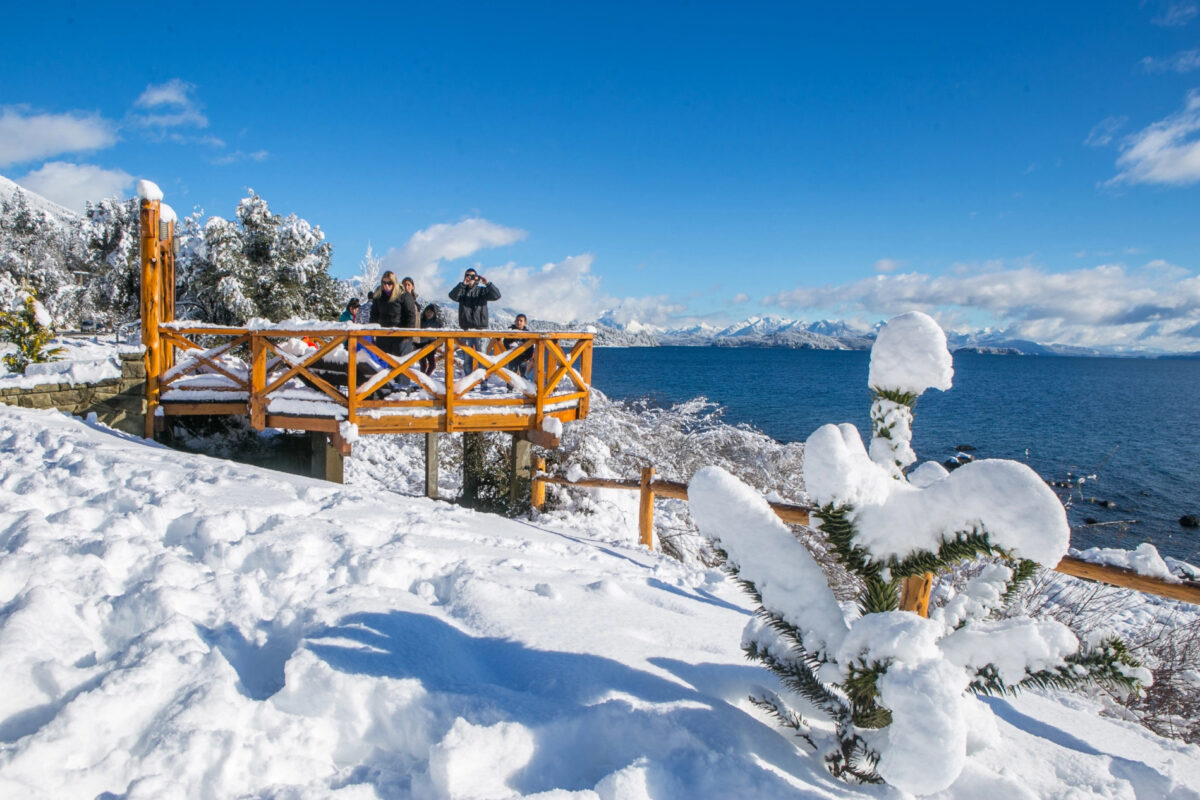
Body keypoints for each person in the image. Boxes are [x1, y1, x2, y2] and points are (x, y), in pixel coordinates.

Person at [448, 268, 501, 380]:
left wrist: (488, 283)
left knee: (482, 358)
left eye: (472, 276)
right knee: (467, 360)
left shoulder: (482, 291)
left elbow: (497, 296)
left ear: (477, 277)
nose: (470, 278)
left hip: (480, 329)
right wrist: (462, 284)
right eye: (467, 275)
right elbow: (452, 296)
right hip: (467, 329)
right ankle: (468, 385)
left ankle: (483, 382)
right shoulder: (461, 292)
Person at [504, 313, 533, 378]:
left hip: (523, 357)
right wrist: (509, 347)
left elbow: (531, 346)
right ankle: (510, 387)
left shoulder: (528, 333)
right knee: (511, 373)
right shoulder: (510, 331)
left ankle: (523, 387)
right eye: (517, 321)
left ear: (525, 323)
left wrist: (528, 357)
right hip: (512, 356)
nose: (518, 322)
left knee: (523, 373)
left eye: (521, 321)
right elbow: (505, 342)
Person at [418, 303, 443, 375]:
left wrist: (439, 344)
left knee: (432, 365)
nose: (429, 313)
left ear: (434, 313)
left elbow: (441, 335)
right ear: (424, 312)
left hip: (432, 346)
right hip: (421, 346)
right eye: (427, 311)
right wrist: (414, 344)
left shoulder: (437, 323)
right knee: (423, 365)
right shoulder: (420, 322)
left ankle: (426, 378)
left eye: (431, 312)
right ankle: (422, 380)